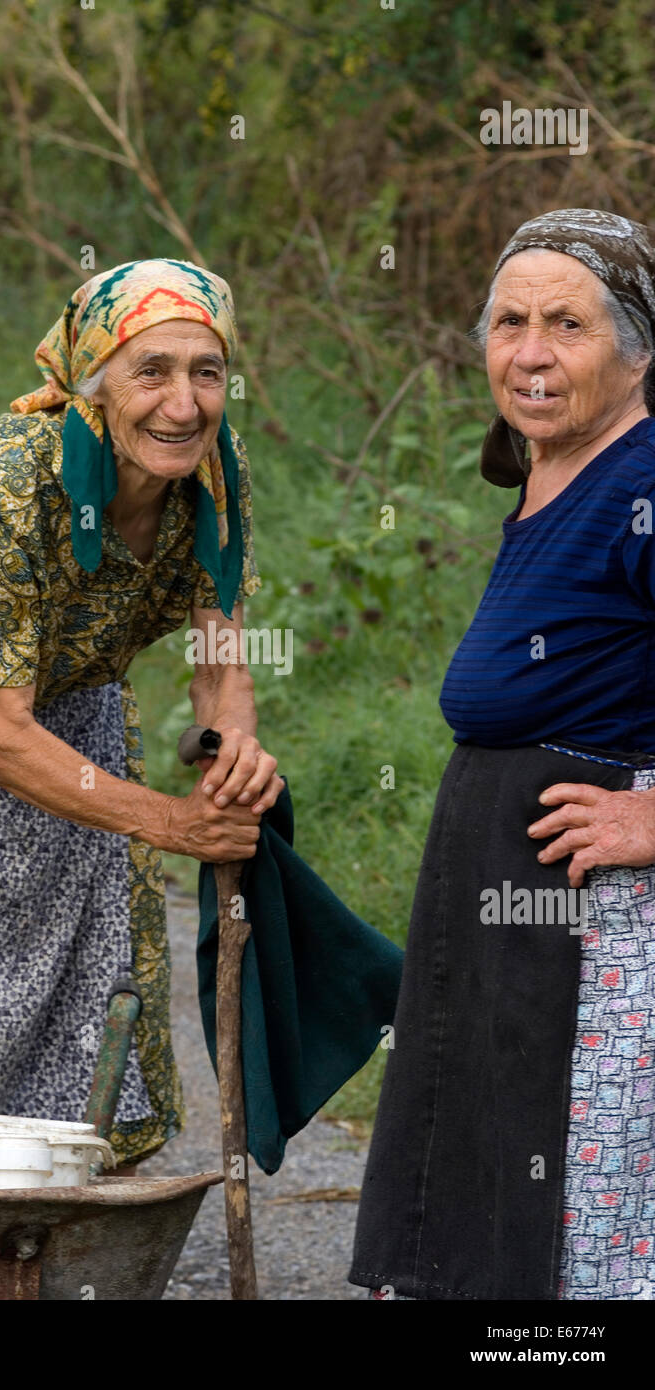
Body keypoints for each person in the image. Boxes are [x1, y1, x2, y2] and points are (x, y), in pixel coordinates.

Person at [0, 257, 283, 1170]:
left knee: (87, 952)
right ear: (96, 385)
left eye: (207, 372)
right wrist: (168, 823)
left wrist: (235, 751)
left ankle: (51, 1187)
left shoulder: (214, 484)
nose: (184, 405)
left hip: (71, 707)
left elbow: (220, 651)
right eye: (152, 372)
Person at [351, 209, 655, 1300]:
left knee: (584, 1221)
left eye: (566, 325)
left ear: (636, 349)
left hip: (603, 935)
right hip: (512, 918)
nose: (529, 352)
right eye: (508, 322)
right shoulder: (550, 473)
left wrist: (649, 818)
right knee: (491, 1207)